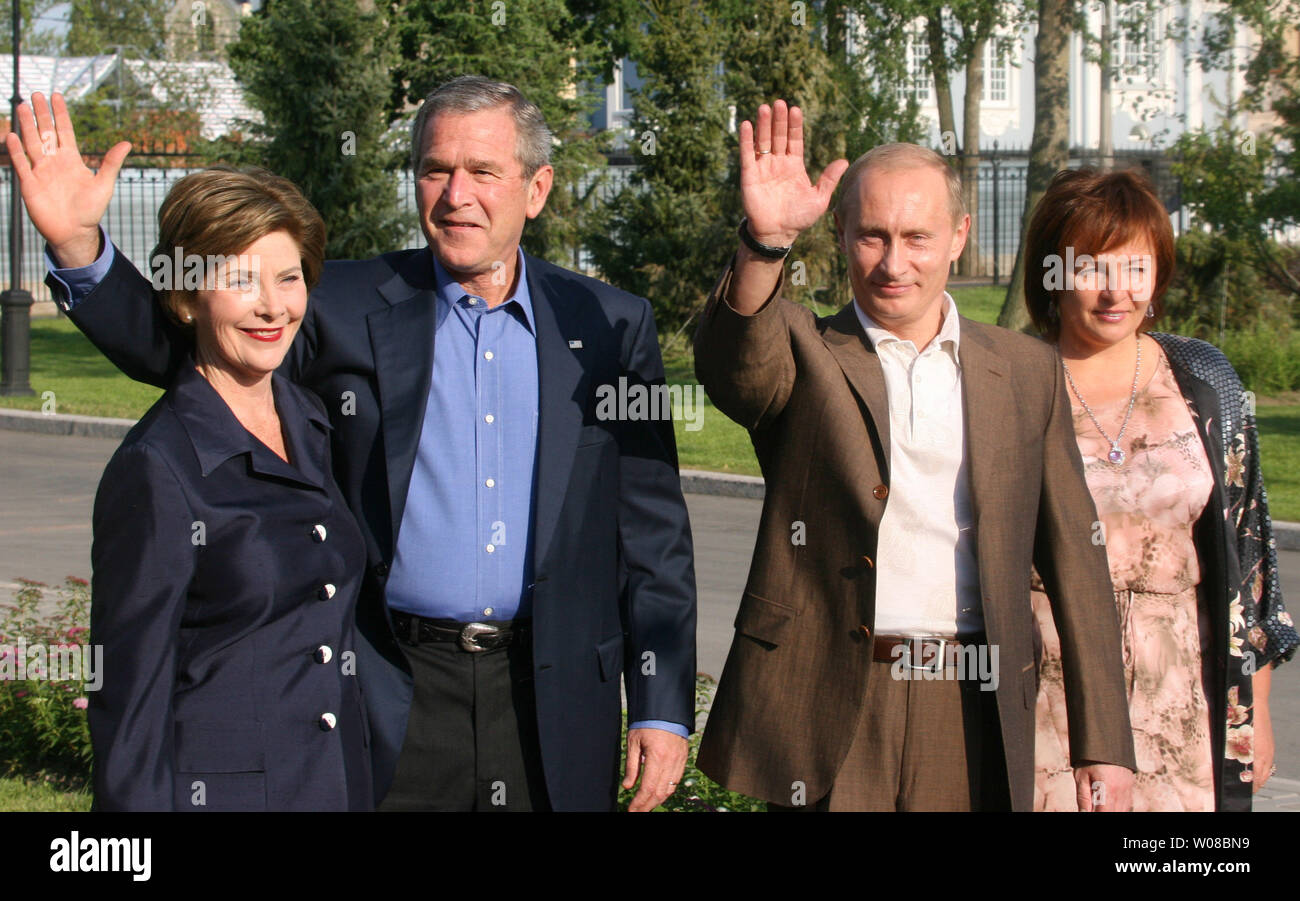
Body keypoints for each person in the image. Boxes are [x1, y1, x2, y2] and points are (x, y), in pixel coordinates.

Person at [10, 78, 696, 812]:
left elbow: (651, 527)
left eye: (484, 172)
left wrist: (659, 703)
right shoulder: (341, 304)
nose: (455, 193)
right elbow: (191, 351)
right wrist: (79, 246)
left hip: (551, 697)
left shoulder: (612, 326)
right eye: (436, 169)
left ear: (537, 188)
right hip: (386, 691)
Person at [693, 100, 1138, 811]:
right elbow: (732, 367)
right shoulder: (806, 352)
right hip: (831, 701)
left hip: (969, 702)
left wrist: (1104, 742)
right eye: (871, 236)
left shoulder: (1026, 371)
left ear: (959, 235)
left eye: (916, 237)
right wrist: (764, 244)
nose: (894, 263)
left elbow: (1076, 561)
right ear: (839, 232)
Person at [64, 161, 369, 809]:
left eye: (290, 278)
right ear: (184, 297)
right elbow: (130, 707)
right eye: (240, 280)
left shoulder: (314, 423)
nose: (273, 305)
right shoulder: (158, 467)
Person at [1023, 167, 1299, 811]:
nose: (1117, 292)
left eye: (1137, 268)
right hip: (1051, 701)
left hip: (1187, 700)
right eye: (1091, 268)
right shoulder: (1010, 383)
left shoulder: (1204, 379)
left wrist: (1253, 714)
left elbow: (1249, 555)